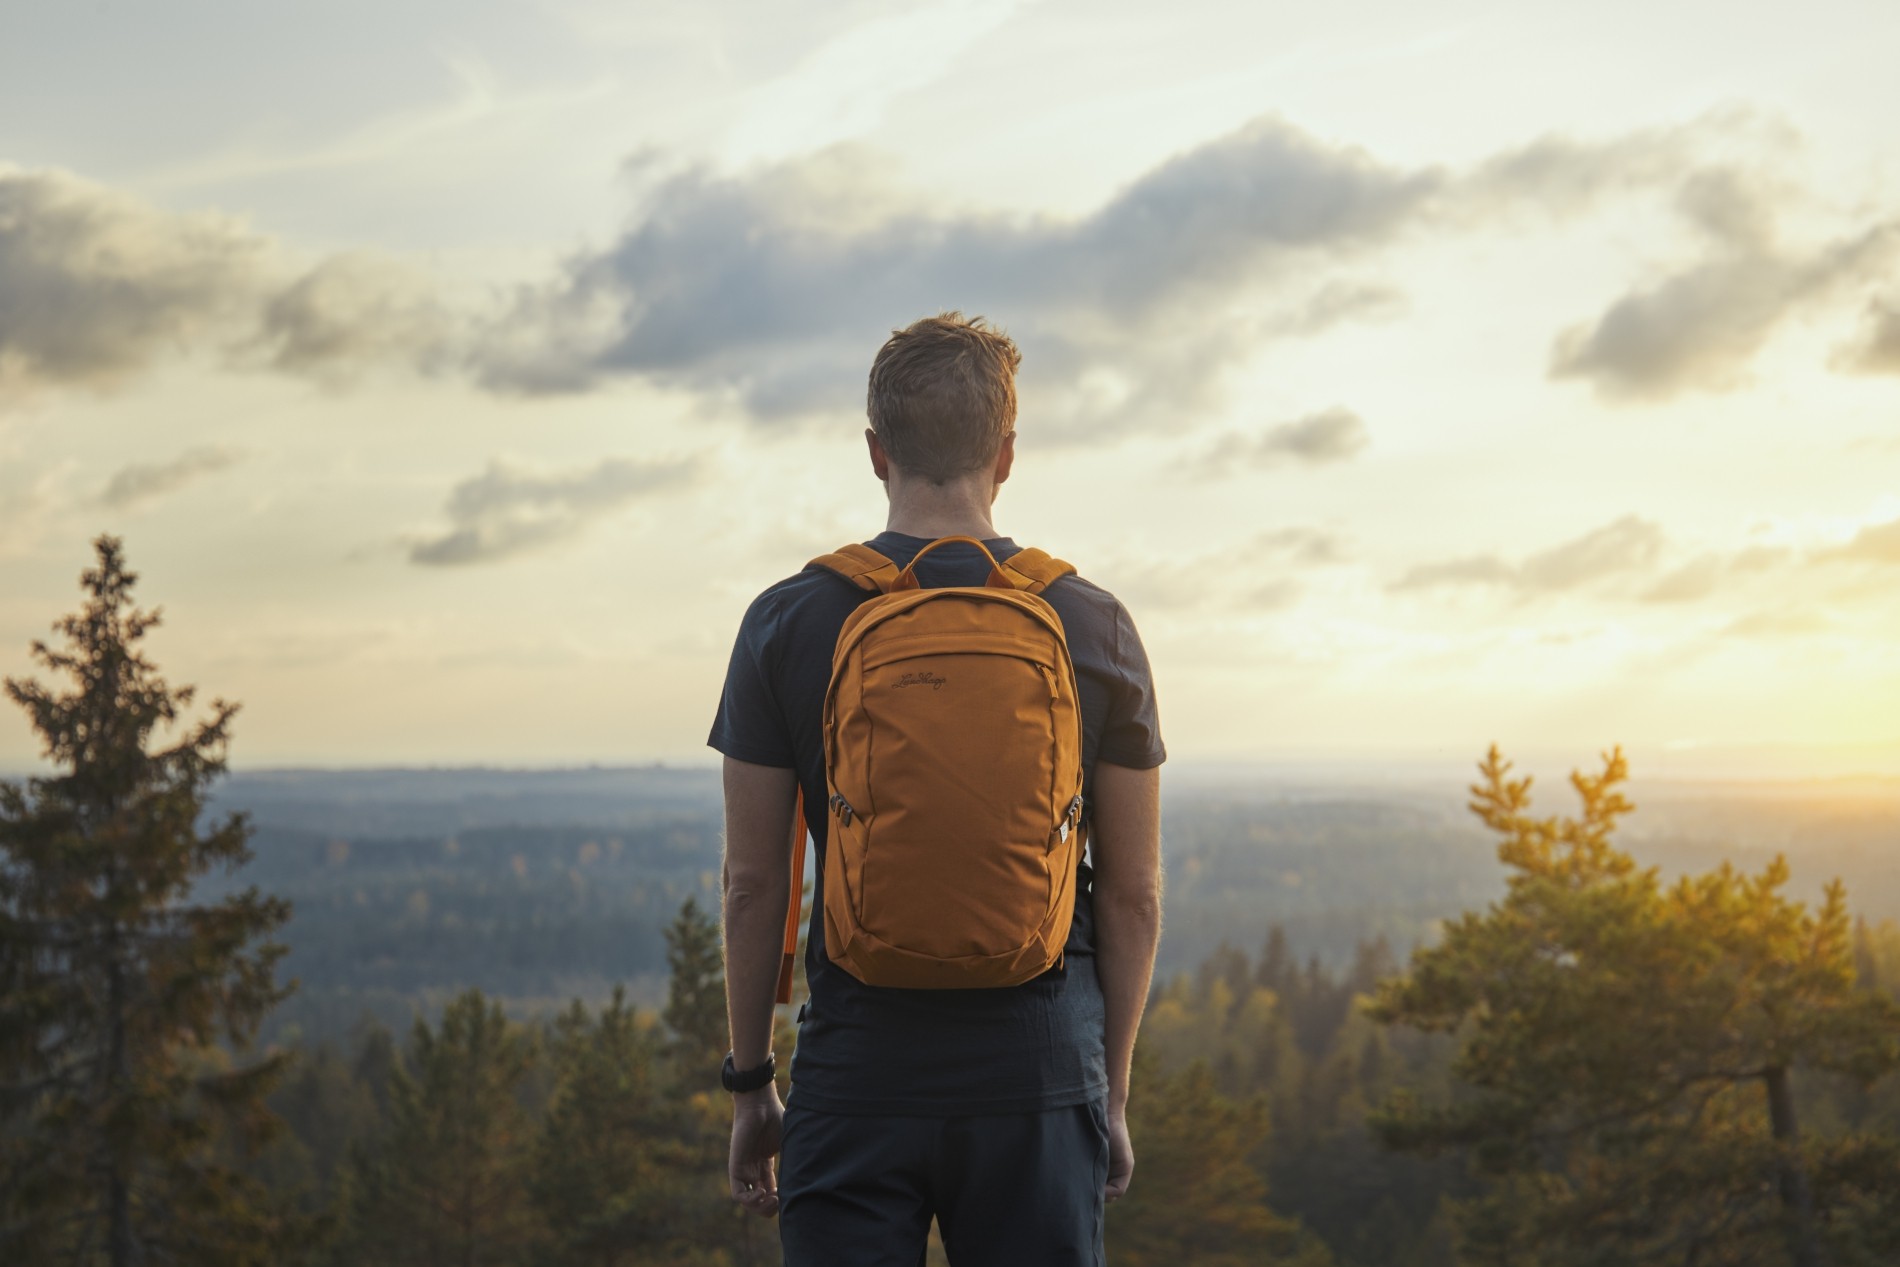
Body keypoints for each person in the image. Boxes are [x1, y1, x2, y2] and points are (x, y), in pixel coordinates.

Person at [708, 312, 1166, 1266]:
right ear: (1006, 454)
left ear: (876, 452)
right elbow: (1133, 894)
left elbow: (754, 887)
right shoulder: (1095, 624)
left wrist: (754, 1085)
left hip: (856, 1080)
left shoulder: (787, 623)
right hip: (1039, 1083)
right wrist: (1108, 1093)